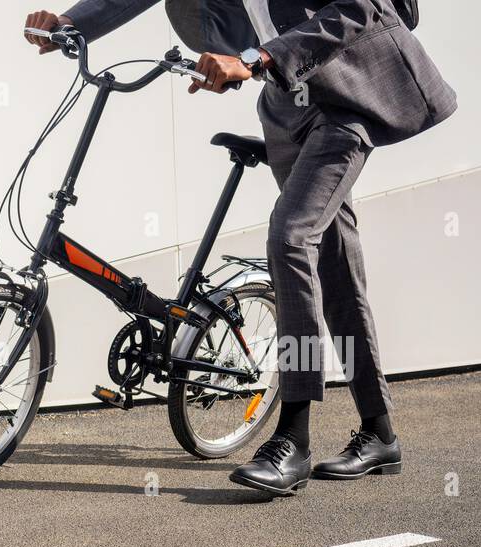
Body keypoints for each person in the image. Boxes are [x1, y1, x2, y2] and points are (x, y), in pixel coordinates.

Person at [24, 2, 456, 495]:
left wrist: (254, 60)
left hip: (348, 100)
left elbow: (358, 8)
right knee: (335, 267)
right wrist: (69, 25)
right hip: (285, 111)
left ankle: (292, 437)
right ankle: (380, 432)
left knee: (290, 238)